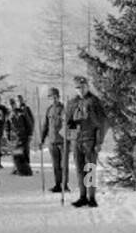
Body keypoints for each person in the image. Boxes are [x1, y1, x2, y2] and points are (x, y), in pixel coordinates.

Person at [64, 74, 106, 208]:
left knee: (90, 169)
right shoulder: (72, 103)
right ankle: (82, 196)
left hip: (90, 140)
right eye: (77, 87)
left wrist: (99, 142)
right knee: (79, 169)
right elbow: (66, 122)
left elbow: (102, 123)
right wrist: (68, 128)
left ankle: (91, 197)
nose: (80, 89)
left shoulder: (94, 102)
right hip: (76, 141)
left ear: (87, 86)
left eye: (82, 87)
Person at [39, 86, 66, 192]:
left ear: (58, 97)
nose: (53, 99)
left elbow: (68, 125)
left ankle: (65, 184)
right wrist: (42, 140)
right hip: (52, 141)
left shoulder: (64, 109)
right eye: (51, 97)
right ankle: (57, 185)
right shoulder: (49, 110)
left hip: (63, 141)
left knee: (63, 165)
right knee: (55, 165)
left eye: (55, 97)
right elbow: (45, 126)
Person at [11, 94, 35, 176]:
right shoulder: (15, 110)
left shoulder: (25, 109)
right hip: (17, 135)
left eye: (20, 100)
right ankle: (17, 168)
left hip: (25, 134)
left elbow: (30, 122)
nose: (19, 102)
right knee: (17, 152)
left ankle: (27, 169)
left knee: (24, 152)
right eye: (17, 100)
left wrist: (30, 133)